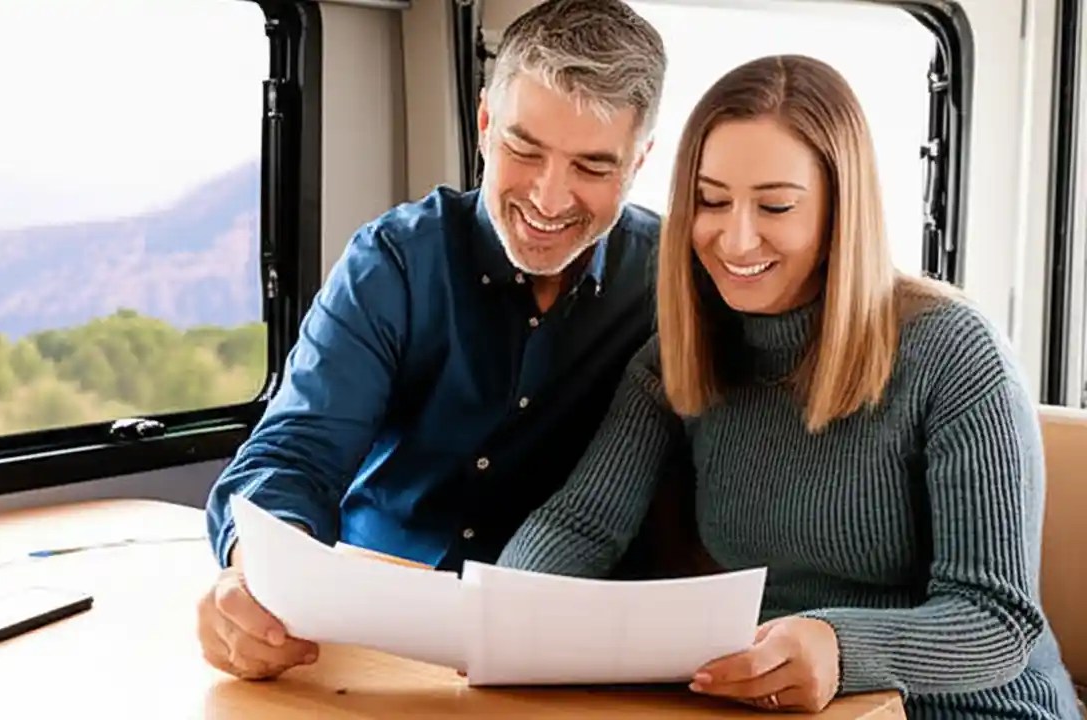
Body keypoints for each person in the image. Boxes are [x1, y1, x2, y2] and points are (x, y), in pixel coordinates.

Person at [496, 54, 1079, 718]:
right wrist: (502, 617)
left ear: (839, 213)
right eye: (711, 201)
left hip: (977, 709)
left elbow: (996, 618)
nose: (735, 239)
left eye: (775, 205)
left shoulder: (954, 352)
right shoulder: (675, 360)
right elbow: (581, 523)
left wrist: (837, 645)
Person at [195, 0, 668, 682]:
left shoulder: (669, 283)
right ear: (483, 123)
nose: (548, 196)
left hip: (575, 647)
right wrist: (254, 576)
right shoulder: (393, 262)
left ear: (639, 160)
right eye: (524, 148)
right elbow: (293, 454)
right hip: (371, 629)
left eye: (592, 168)